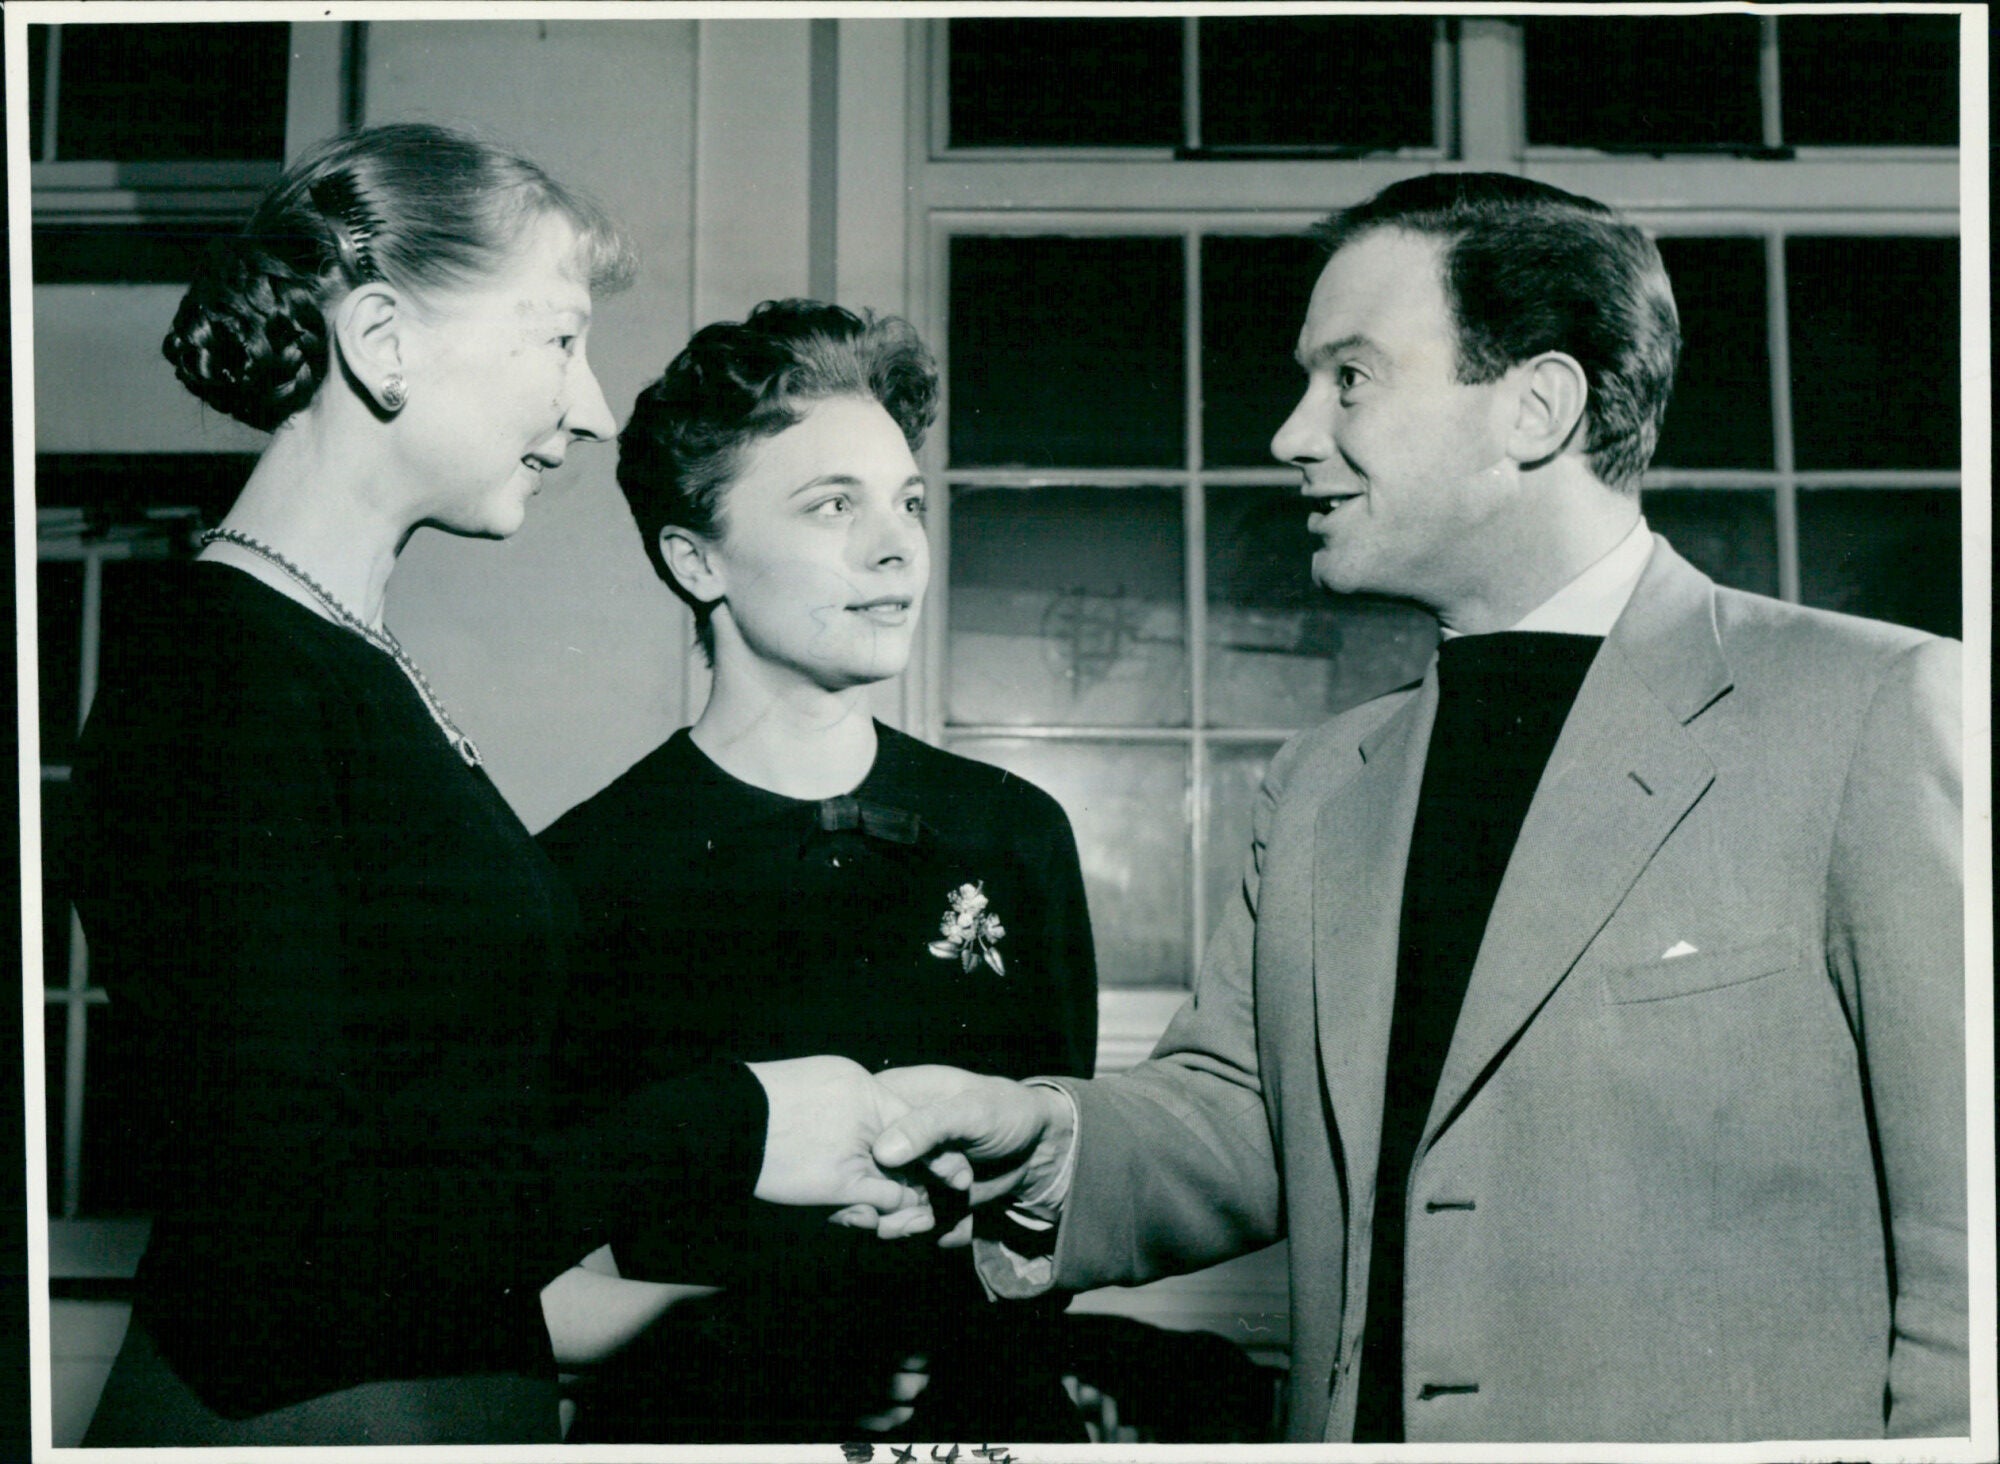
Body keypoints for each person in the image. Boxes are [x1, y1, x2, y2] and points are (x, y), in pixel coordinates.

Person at [872, 173, 1967, 1444]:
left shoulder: (1875, 711)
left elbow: (1969, 1261)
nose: (1288, 432)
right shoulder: (1322, 779)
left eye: (1348, 378)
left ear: (1535, 406)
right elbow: (1246, 1120)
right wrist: (1044, 1141)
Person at [69, 125, 928, 1446]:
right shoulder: (223, 671)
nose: (588, 406)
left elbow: (444, 1163)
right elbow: (289, 1242)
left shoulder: (338, 661)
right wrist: (728, 1124)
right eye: (558, 340)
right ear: (383, 340)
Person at [536, 299, 1097, 1443]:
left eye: (906, 504)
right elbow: (502, 1274)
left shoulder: (1012, 832)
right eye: (830, 505)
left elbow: (1067, 1194)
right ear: (695, 560)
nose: (895, 547)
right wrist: (748, 1341)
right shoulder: (582, 871)